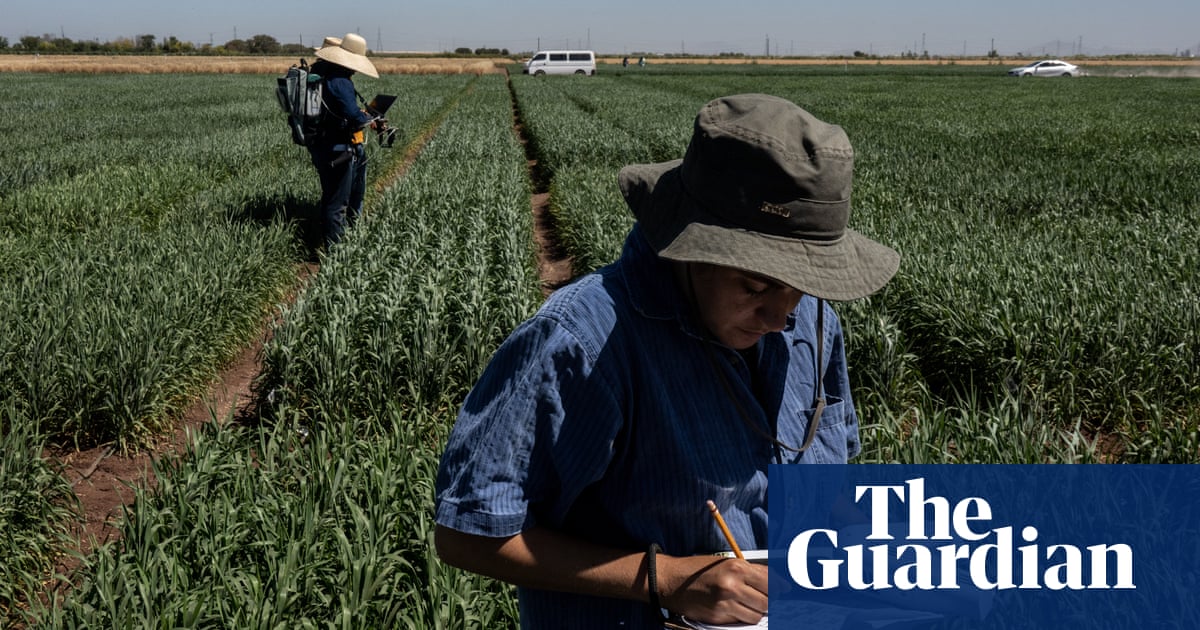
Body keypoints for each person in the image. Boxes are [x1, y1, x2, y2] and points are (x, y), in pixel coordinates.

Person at [434, 94, 900, 629]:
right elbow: (467, 535)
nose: (780, 317)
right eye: (755, 286)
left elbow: (824, 481)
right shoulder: (583, 341)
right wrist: (666, 579)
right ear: (692, 245)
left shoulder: (811, 320)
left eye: (803, 286)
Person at [308, 33, 379, 248]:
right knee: (338, 203)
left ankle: (337, 242)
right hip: (338, 148)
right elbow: (354, 117)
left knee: (332, 196)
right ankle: (336, 253)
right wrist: (369, 118)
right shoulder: (340, 81)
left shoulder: (322, 74)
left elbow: (338, 110)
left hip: (322, 144)